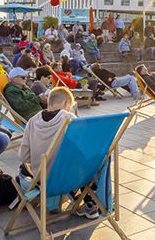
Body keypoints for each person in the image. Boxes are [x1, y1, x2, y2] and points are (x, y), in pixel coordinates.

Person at [18, 87, 99, 219]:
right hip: (69, 179)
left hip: (42, 179)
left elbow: (23, 156)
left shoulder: (32, 121)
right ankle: (90, 202)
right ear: (67, 103)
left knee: (23, 168)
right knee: (91, 160)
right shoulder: (70, 119)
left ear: (49, 102)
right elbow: (84, 150)